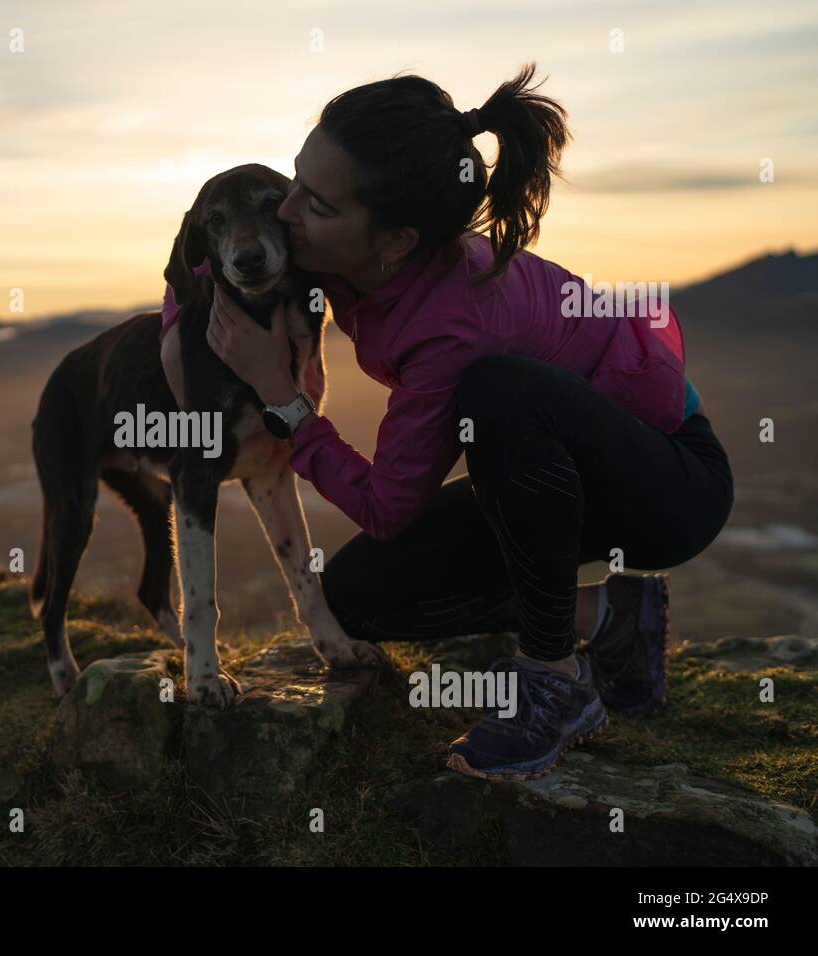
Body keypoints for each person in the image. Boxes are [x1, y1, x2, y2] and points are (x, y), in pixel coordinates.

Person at [161, 63, 734, 781]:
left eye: (314, 202)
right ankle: (610, 619)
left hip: (668, 485)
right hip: (549, 479)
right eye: (296, 183)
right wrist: (174, 332)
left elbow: (386, 508)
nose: (287, 213)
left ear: (396, 239)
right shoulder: (346, 254)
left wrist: (283, 400)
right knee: (356, 599)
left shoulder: (451, 324)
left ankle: (552, 678)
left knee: (499, 393)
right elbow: (201, 267)